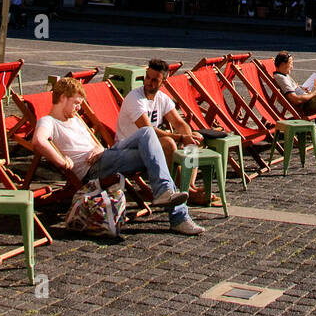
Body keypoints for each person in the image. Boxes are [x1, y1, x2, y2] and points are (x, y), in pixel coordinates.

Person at [33, 77, 201, 235]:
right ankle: (178, 215)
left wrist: (98, 148)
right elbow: (39, 141)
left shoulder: (74, 119)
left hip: (105, 155)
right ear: (62, 98)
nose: (78, 108)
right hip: (92, 170)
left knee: (148, 133)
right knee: (155, 153)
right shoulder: (48, 121)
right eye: (76, 103)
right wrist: (61, 161)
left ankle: (166, 195)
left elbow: (94, 144)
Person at [115, 59, 221, 208]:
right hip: (128, 149)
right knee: (168, 143)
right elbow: (148, 131)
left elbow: (178, 122)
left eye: (154, 80)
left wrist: (188, 137)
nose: (149, 82)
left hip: (149, 147)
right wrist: (181, 137)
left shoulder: (161, 98)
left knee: (195, 139)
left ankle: (189, 185)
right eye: (147, 78)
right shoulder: (135, 98)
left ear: (163, 82)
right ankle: (188, 192)